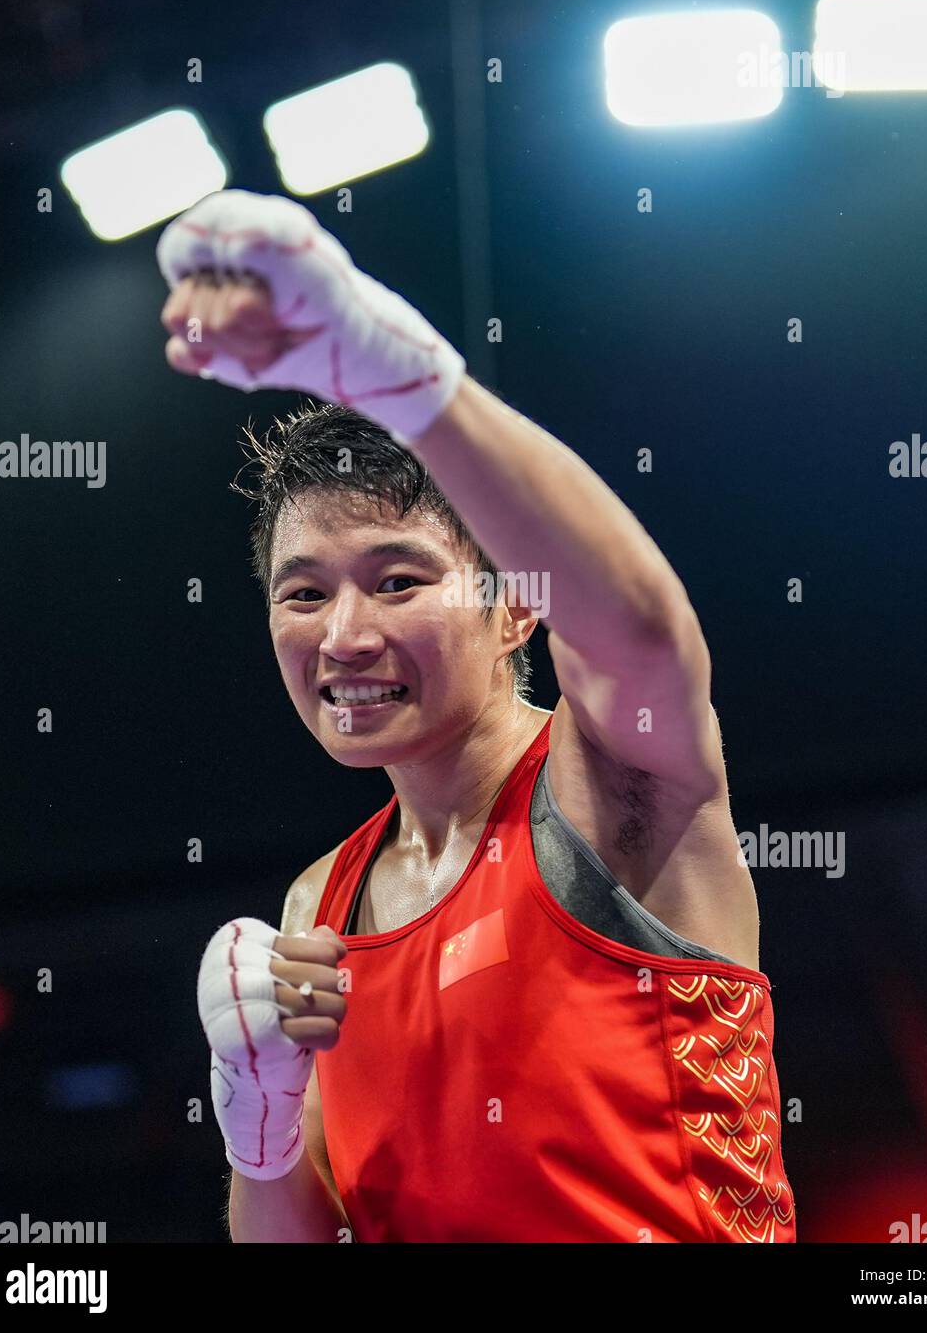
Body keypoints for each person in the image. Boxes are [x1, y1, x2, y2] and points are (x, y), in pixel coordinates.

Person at [174, 190, 795, 1243]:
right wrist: (258, 1114)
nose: (345, 635)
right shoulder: (319, 903)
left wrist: (392, 368)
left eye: (399, 578)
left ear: (515, 604)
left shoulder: (605, 787)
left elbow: (642, 629)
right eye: (305, 592)